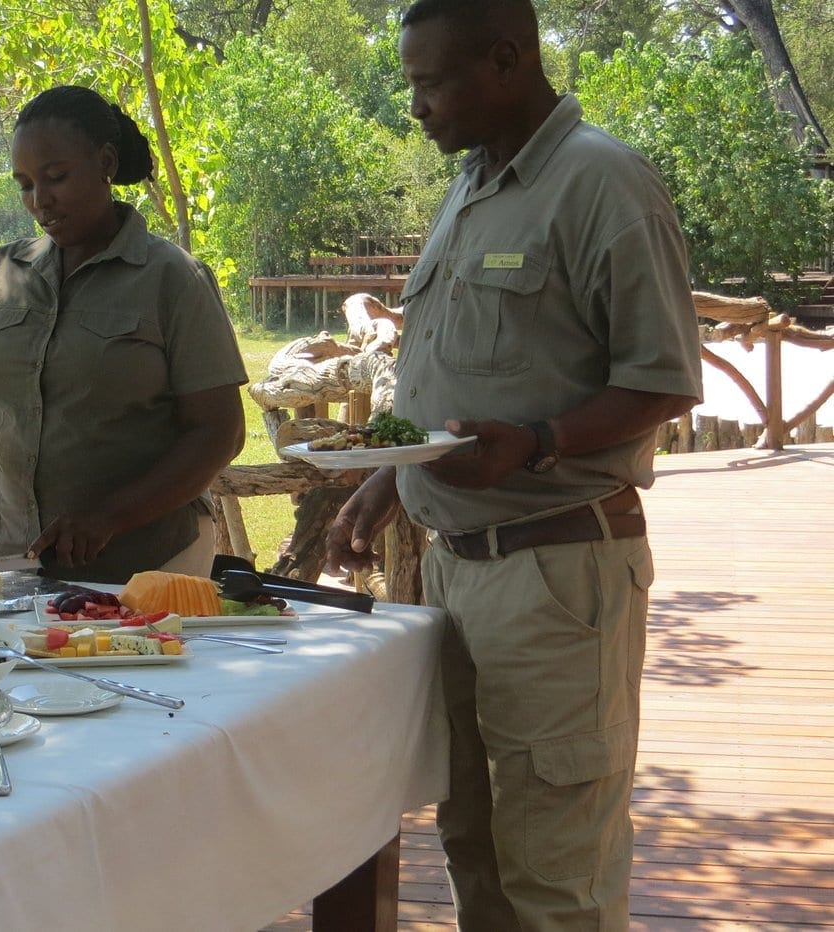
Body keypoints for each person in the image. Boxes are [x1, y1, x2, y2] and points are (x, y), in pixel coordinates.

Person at [325, 1, 703, 929]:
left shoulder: (604, 184)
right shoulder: (474, 186)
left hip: (556, 574)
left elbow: (662, 379)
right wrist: (389, 479)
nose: (415, 105)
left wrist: (539, 444)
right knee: (476, 846)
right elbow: (461, 371)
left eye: (429, 82)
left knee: (556, 873)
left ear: (505, 60)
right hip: (454, 571)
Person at [0, 85, 247, 582]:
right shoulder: (4, 275)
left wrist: (110, 517)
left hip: (147, 566)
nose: (40, 200)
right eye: (24, 184)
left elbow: (219, 432)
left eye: (56, 177)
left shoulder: (171, 278)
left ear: (105, 162)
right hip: (9, 557)